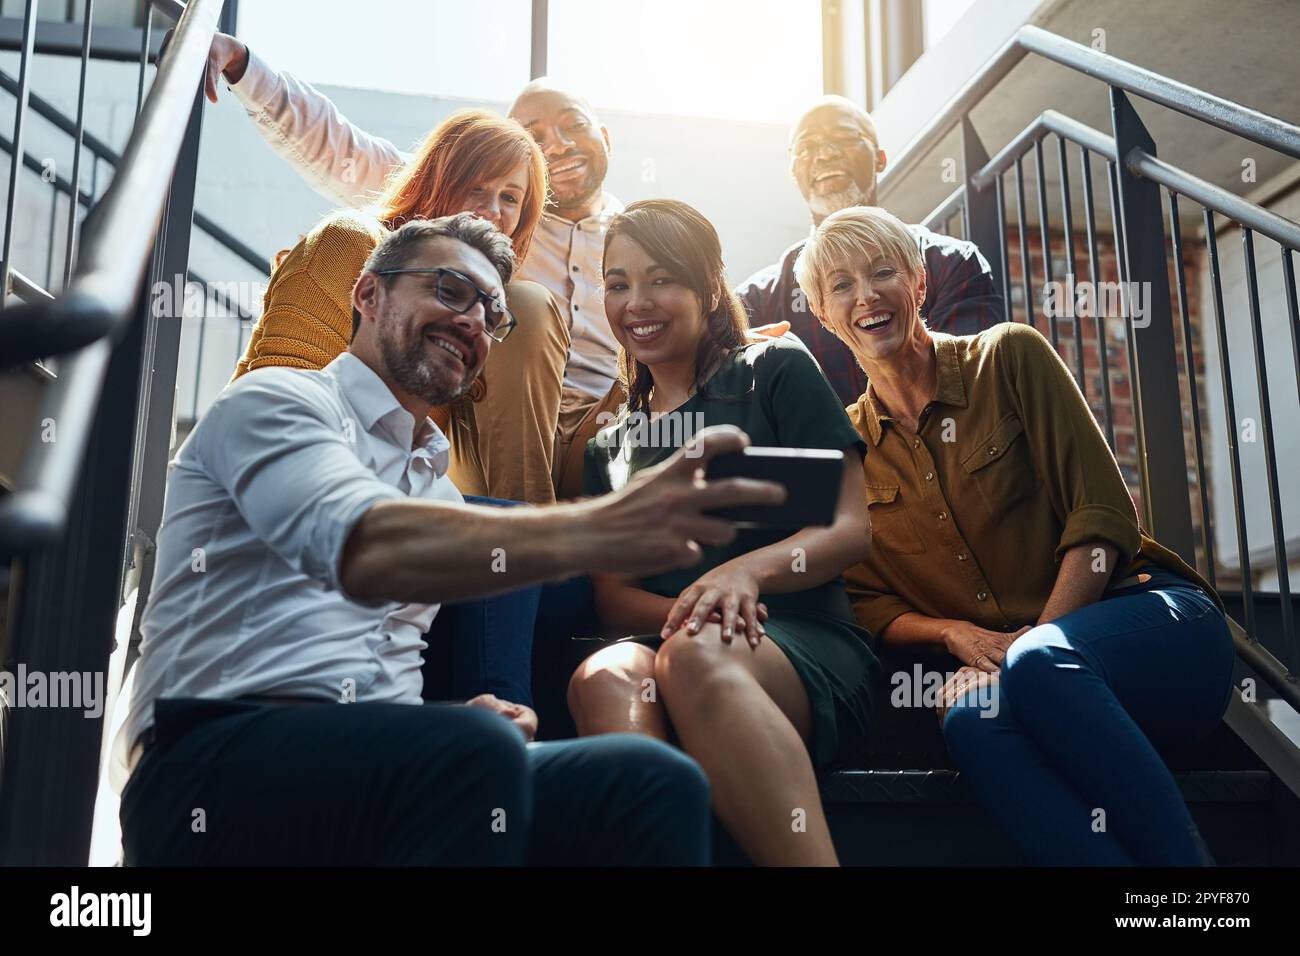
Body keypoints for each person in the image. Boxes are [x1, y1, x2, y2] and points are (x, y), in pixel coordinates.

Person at [115, 214, 788, 866]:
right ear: (369, 294)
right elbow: (365, 547)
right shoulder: (277, 402)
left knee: (645, 779)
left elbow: (386, 668)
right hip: (210, 763)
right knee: (471, 750)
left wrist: (455, 717)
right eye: (449, 290)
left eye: (492, 315)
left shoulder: (435, 489)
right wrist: (605, 526)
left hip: (372, 770)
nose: (472, 321)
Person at [795, 205, 1235, 865]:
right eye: (841, 285)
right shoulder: (847, 450)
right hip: (1029, 680)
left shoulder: (1007, 357)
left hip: (1150, 628)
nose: (865, 294)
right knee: (974, 724)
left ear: (918, 284)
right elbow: (865, 600)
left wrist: (1024, 652)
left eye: (882, 271)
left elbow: (1101, 520)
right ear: (823, 315)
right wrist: (955, 636)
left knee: (1038, 667)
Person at [567, 200, 879, 867]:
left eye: (661, 279)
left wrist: (743, 573)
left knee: (697, 655)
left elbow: (850, 529)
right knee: (602, 677)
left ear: (710, 289)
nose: (637, 302)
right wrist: (700, 607)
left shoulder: (775, 372)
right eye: (618, 283)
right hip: (678, 639)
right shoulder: (610, 448)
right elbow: (614, 599)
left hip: (800, 644)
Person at [193, 33, 626, 491]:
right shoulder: (436, 234)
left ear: (604, 136)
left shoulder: (637, 245)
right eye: (532, 136)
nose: (553, 145)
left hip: (600, 440)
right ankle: (523, 545)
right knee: (525, 304)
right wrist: (244, 66)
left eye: (570, 124)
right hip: (480, 440)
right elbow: (338, 145)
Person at [233, 107, 567, 506]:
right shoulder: (351, 241)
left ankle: (525, 539)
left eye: (509, 197)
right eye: (475, 187)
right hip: (299, 482)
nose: (492, 211)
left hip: (417, 484)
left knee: (527, 305)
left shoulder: (489, 310)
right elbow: (275, 407)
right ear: (436, 179)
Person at [737, 95, 1005, 405]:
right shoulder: (755, 301)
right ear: (794, 174)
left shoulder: (950, 264)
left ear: (879, 158)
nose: (824, 153)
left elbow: (972, 385)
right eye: (807, 147)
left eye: (844, 137)